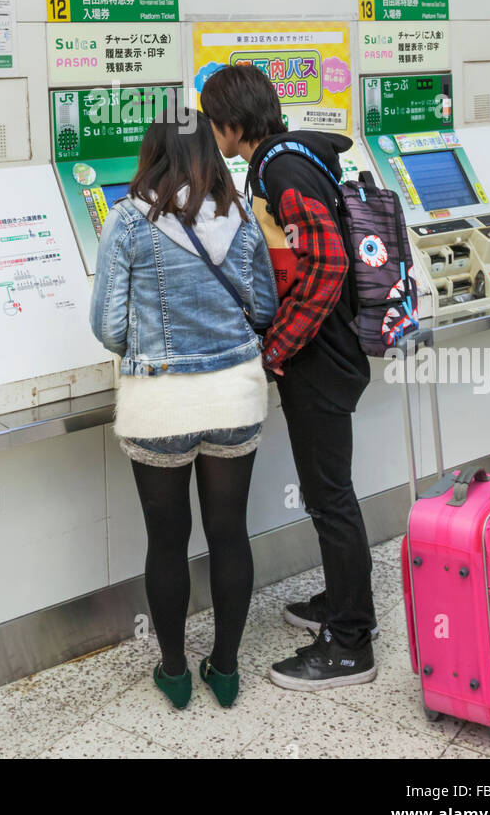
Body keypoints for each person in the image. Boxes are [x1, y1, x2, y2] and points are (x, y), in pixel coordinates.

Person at [90, 108, 278, 710]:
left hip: (161, 402)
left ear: (155, 151)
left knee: (166, 542)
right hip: (234, 397)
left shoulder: (127, 223)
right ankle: (224, 669)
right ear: (209, 154)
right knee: (229, 534)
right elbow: (265, 307)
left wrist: (148, 347)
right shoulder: (241, 218)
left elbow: (108, 327)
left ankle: (173, 671)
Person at [200, 62, 378, 690]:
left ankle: (353, 641)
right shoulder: (297, 153)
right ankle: (343, 602)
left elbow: (327, 265)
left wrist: (278, 348)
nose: (207, 130)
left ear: (230, 123)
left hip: (319, 359)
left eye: (210, 118)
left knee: (330, 496)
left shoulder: (279, 168)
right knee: (329, 491)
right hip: (329, 351)